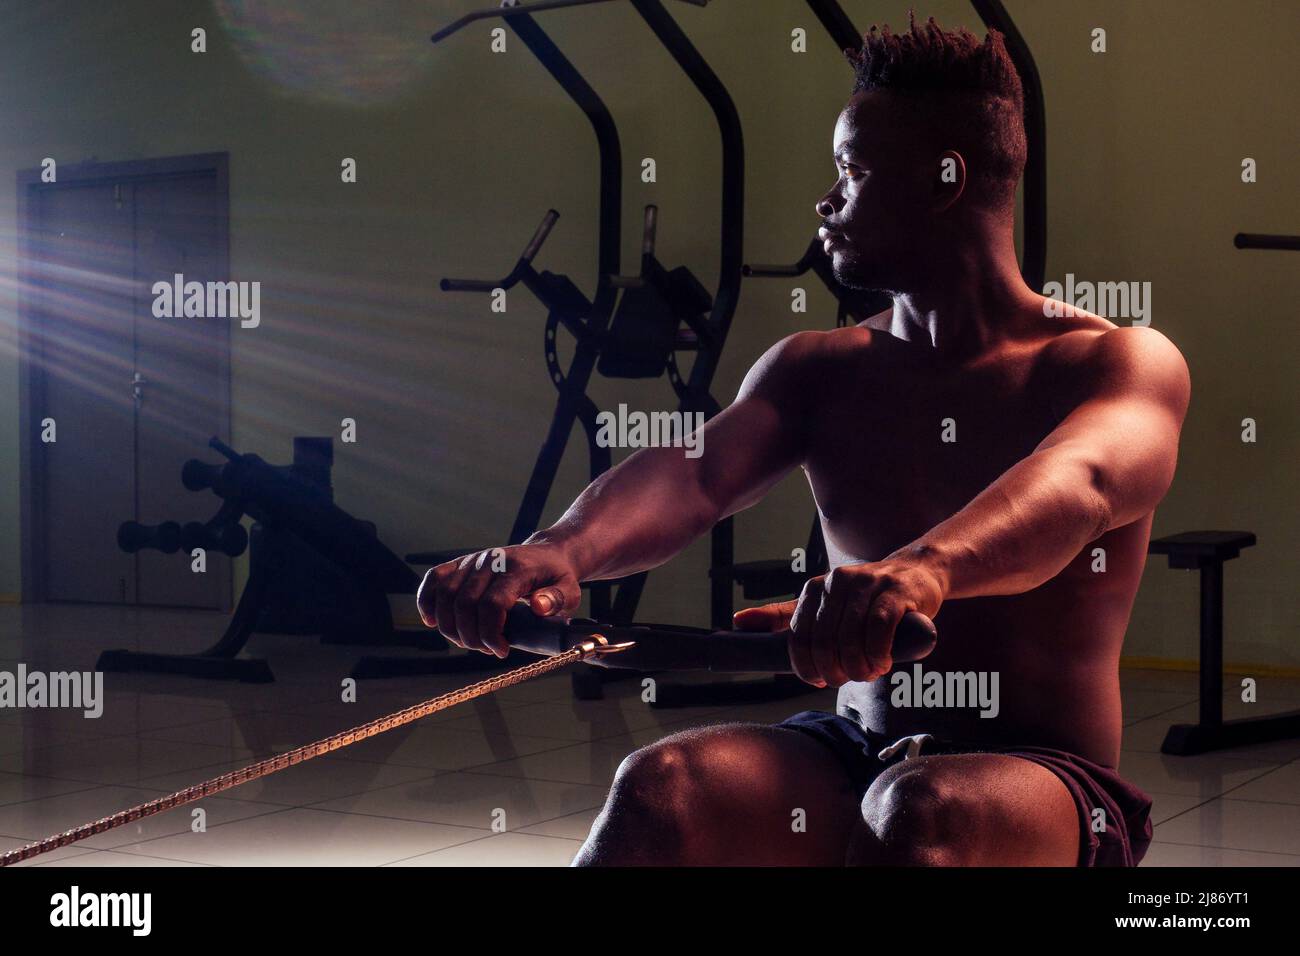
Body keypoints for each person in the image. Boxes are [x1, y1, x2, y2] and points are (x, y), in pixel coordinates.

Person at [417, 16, 1189, 866]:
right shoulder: (820, 366)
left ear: (944, 178)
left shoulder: (1118, 361)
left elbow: (1078, 483)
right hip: (856, 750)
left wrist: (922, 571)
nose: (827, 201)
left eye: (851, 172)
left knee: (919, 811)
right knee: (659, 788)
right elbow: (697, 474)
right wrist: (558, 551)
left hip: (1051, 779)